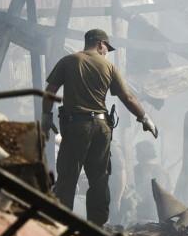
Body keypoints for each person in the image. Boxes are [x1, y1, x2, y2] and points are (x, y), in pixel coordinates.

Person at [43, 28, 158, 225]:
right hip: (101, 128)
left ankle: (60, 226)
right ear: (100, 44)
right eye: (106, 48)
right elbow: (127, 97)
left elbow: (50, 90)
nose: (106, 52)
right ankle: (96, 228)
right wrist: (145, 118)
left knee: (67, 179)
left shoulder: (68, 61)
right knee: (99, 179)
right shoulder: (109, 67)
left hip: (75, 126)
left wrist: (46, 116)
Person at [133, 140, 171, 223]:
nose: (136, 155)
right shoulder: (163, 170)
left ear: (141, 154)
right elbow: (170, 191)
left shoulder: (136, 170)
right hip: (158, 211)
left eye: (137, 152)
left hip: (141, 211)